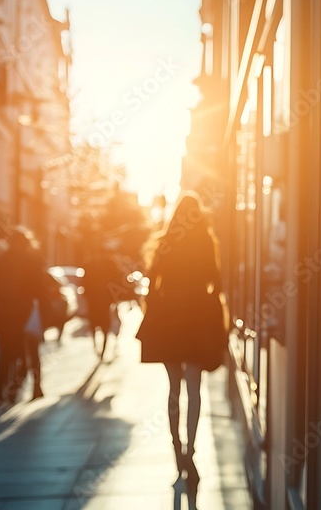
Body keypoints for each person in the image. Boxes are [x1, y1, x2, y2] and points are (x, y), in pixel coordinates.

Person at [136, 193, 224, 488]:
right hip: (197, 321)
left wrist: (156, 310)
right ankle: (191, 449)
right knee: (194, 388)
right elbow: (216, 281)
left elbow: (152, 282)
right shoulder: (206, 241)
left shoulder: (165, 242)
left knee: (174, 388)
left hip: (170, 322)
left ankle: (177, 448)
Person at [0, 227, 48, 409]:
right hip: (26, 314)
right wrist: (44, 315)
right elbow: (41, 290)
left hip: (4, 316)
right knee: (31, 353)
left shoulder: (2, 261)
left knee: (6, 355)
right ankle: (33, 388)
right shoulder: (33, 261)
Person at [83, 249, 125, 360]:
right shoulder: (104, 263)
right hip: (101, 300)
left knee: (99, 324)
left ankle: (100, 348)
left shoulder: (93, 264)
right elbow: (118, 279)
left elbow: (84, 283)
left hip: (100, 300)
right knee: (102, 324)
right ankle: (100, 348)